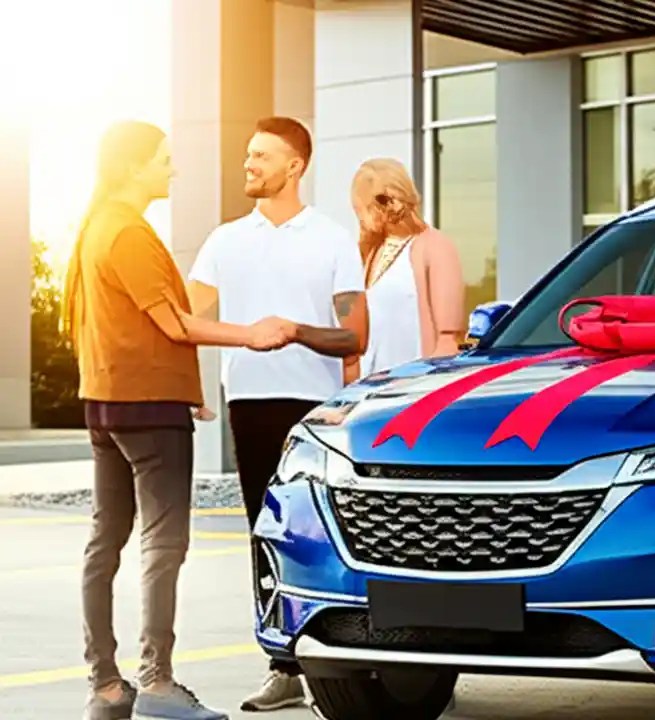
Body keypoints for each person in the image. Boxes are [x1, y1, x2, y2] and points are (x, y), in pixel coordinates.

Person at [65, 120, 293, 720]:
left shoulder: (95, 228)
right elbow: (176, 324)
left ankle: (106, 688)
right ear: (133, 165)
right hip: (147, 412)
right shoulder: (129, 233)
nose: (172, 169)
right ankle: (158, 683)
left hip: (108, 404)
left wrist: (182, 387)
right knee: (164, 543)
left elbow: (126, 332)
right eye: (163, 159)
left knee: (105, 539)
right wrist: (254, 335)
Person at [185, 116, 369, 713]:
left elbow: (353, 338)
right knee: (263, 533)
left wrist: (293, 331)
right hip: (250, 405)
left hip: (316, 413)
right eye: (248, 153)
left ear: (295, 166)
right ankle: (281, 664)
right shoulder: (224, 240)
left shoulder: (333, 238)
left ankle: (351, 658)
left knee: (331, 533)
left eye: (261, 155)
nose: (249, 163)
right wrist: (200, 377)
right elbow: (182, 322)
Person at [351, 157, 466, 375]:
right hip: (371, 388)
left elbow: (449, 338)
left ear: (383, 204)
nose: (360, 218)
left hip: (414, 387)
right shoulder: (373, 251)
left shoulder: (435, 246)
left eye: (362, 209)